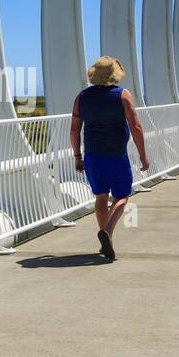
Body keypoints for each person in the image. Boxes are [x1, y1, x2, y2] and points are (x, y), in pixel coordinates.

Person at [70, 56, 150, 261]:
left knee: (101, 197)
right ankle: (108, 230)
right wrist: (143, 156)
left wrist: (77, 156)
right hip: (116, 155)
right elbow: (136, 126)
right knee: (122, 196)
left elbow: (74, 130)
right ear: (115, 75)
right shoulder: (122, 95)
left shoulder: (81, 97)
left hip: (92, 156)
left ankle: (107, 240)